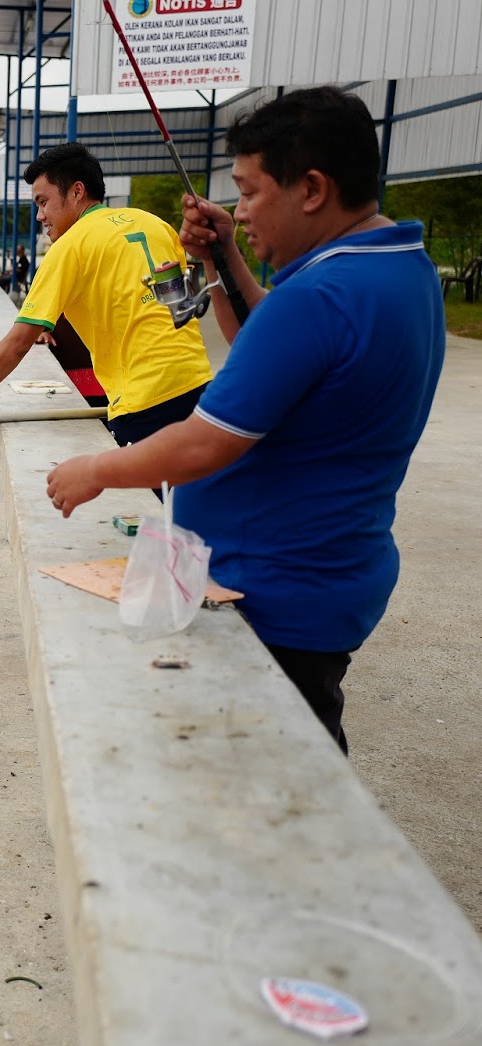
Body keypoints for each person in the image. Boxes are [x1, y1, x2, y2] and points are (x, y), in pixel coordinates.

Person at [44, 86, 445, 753]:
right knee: (306, 743)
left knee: (279, 779)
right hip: (337, 568)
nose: (240, 211)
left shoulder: (320, 297)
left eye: (251, 191)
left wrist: (94, 469)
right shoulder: (401, 271)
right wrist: (219, 256)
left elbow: (202, 446)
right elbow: (274, 339)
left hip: (276, 589)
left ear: (312, 188)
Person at [0, 142, 211, 447]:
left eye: (43, 202)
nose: (39, 215)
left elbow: (18, 343)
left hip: (145, 402)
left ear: (76, 191)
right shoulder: (156, 225)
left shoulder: (69, 247)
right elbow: (172, 301)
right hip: (200, 384)